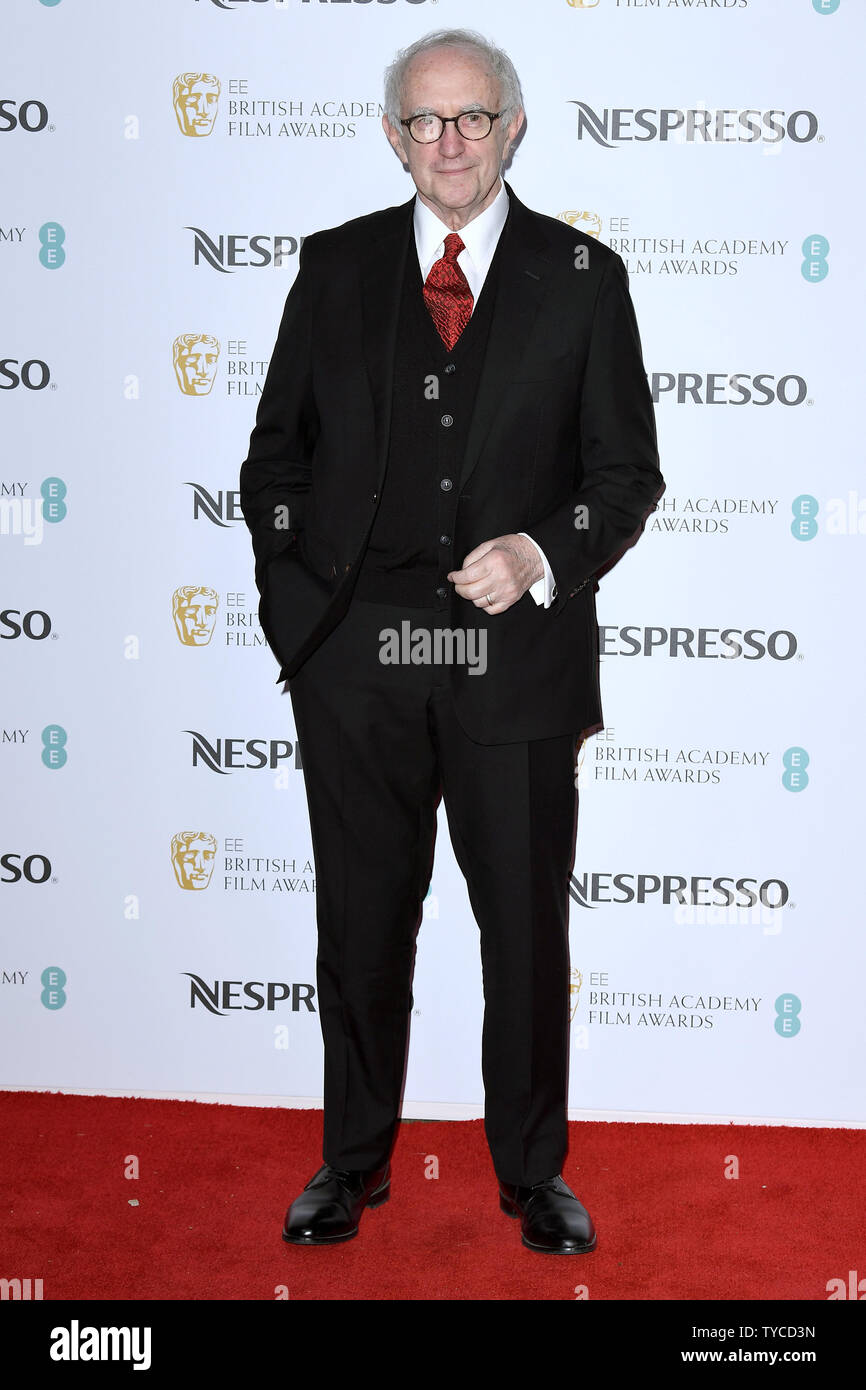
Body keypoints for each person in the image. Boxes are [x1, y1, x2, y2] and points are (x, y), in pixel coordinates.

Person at [240, 28, 663, 1255]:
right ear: (390, 136)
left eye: (471, 117)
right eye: (423, 122)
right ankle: (352, 1162)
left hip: (510, 664)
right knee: (360, 923)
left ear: (513, 124)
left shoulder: (582, 277)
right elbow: (275, 459)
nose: (449, 143)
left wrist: (538, 553)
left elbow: (623, 472)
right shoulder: (333, 269)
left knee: (523, 934)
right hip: (358, 665)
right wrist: (294, 613)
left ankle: (532, 1174)